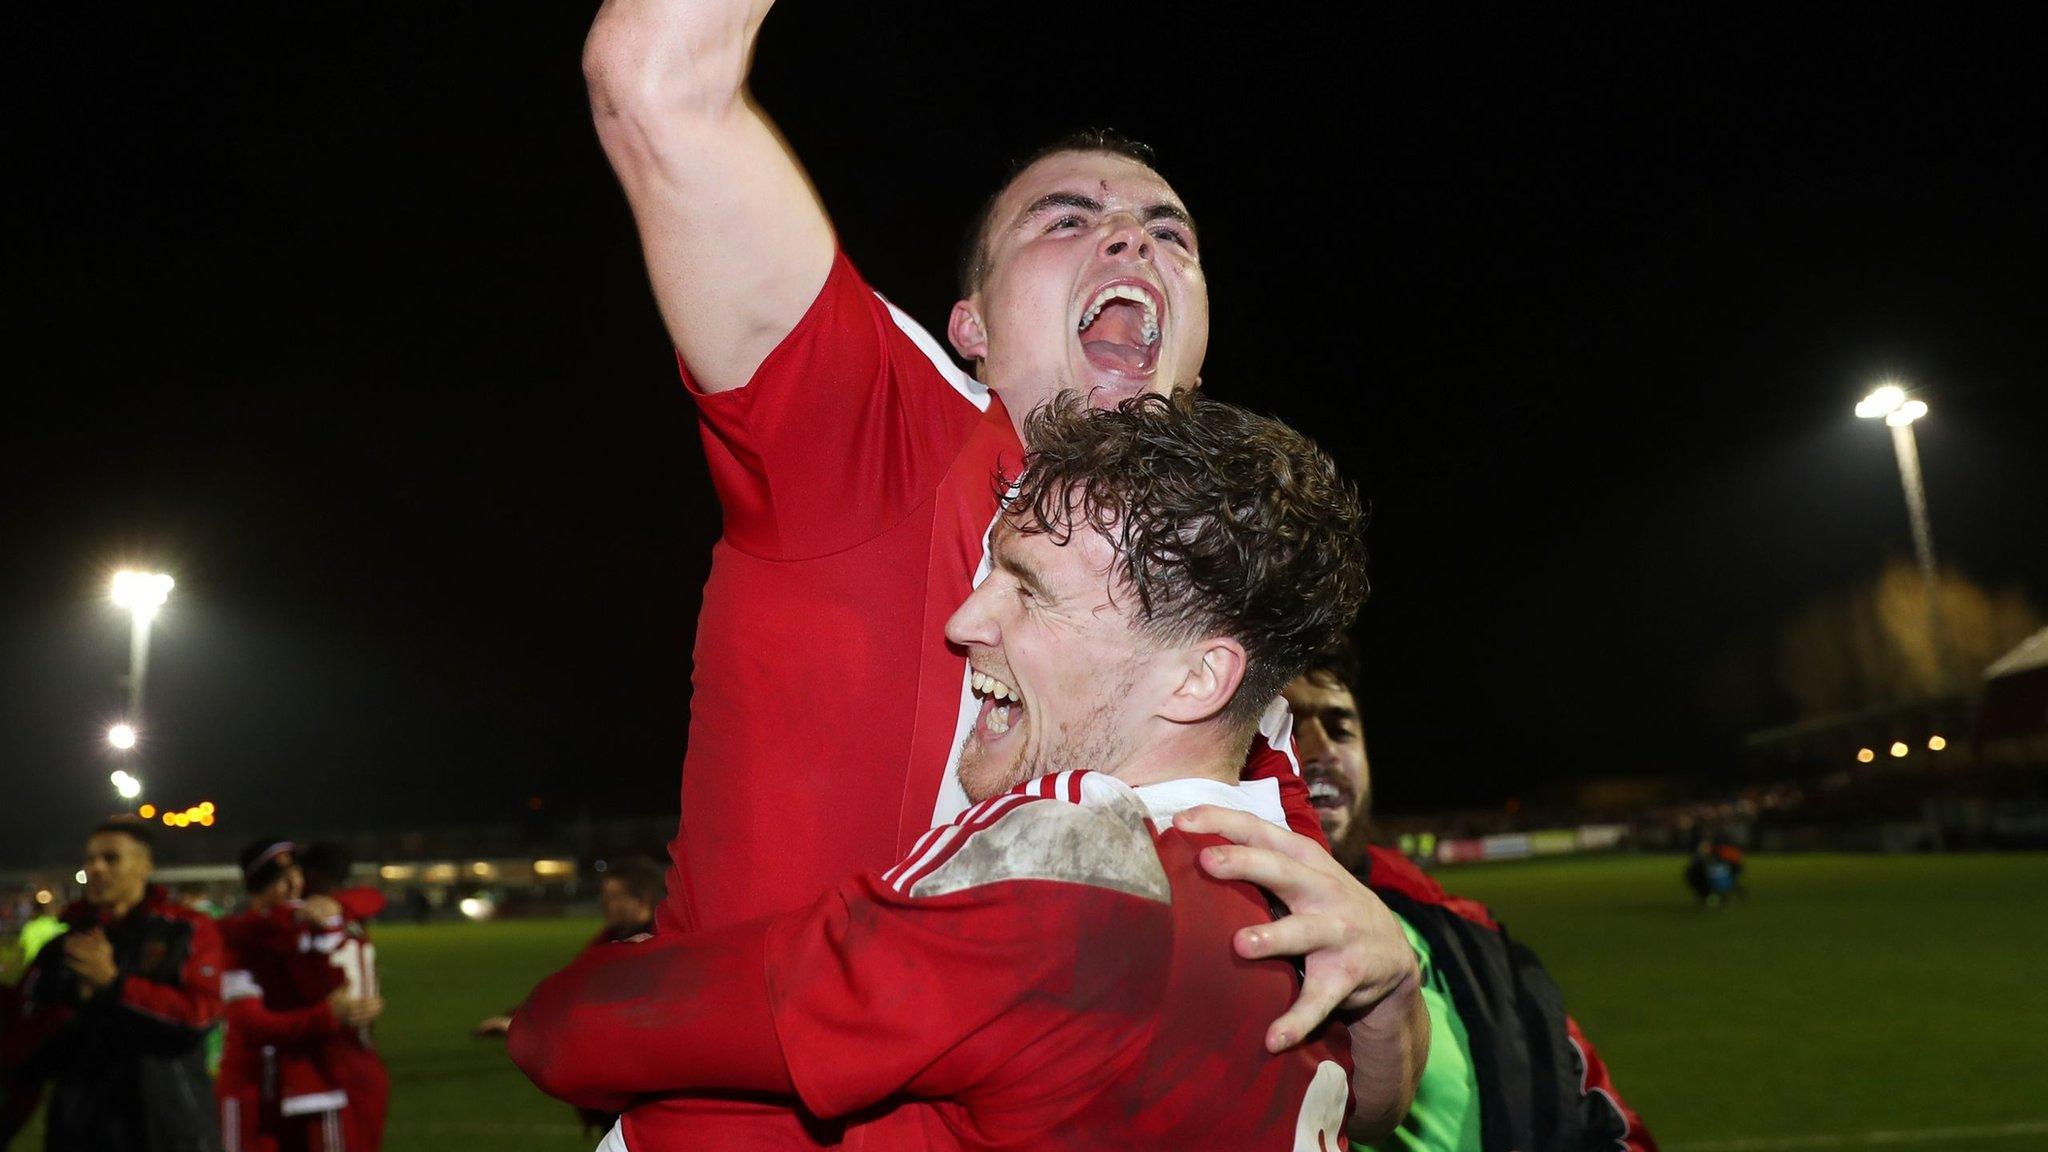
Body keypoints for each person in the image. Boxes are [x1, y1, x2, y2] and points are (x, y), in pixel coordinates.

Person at [580, 1, 1421, 1143]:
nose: (1130, 242)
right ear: (969, 325)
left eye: (1169, 234)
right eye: (1066, 219)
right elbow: (656, 80)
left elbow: (1349, 1098)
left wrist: (1388, 994)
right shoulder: (875, 434)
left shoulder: (1227, 656)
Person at [514, 391, 1420, 1149]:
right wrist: (1398, 993)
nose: (965, 620)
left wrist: (603, 985)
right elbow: (1372, 1105)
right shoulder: (1293, 876)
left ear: (1197, 679)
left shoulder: (1080, 876)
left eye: (1028, 590)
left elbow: (570, 1033)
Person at [1281, 645, 1659, 1152]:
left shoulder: (1473, 938)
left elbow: (1598, 1124)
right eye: (1285, 725)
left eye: (1341, 728)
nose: (1321, 748)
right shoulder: (1200, 938)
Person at [1, 817, 225, 1151]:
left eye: (111, 858)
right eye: (90, 859)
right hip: (80, 1131)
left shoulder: (186, 931)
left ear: (145, 866)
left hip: (167, 1129)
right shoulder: (64, 945)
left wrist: (114, 984)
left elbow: (198, 1016)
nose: (96, 868)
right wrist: (73, 1002)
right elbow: (26, 1044)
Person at [215, 839, 383, 1152]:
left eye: (297, 875)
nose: (295, 886)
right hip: (253, 1086)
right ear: (259, 887)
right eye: (282, 880)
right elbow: (250, 1024)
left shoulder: (305, 926)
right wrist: (328, 1015)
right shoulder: (239, 939)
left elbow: (371, 898)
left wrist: (338, 906)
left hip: (307, 1081)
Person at [478, 857, 665, 1139]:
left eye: (614, 896)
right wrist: (518, 1017)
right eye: (604, 896)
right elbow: (569, 990)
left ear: (644, 898)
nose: (606, 904)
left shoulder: (664, 943)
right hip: (611, 1086)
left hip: (647, 1086)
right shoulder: (605, 942)